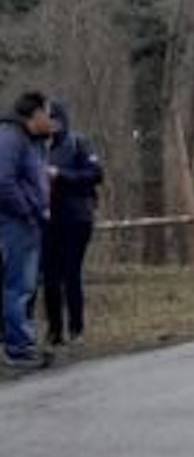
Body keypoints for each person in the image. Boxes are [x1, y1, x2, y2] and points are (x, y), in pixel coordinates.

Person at [0, 91, 57, 369]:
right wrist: (27, 211)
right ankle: (18, 348)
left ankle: (23, 342)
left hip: (30, 223)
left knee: (26, 285)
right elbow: (3, 181)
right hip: (15, 223)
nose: (52, 118)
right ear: (35, 114)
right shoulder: (10, 137)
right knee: (18, 286)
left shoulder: (31, 142)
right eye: (48, 113)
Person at [42, 101, 104, 347]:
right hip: (48, 219)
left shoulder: (78, 143)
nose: (50, 124)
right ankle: (54, 330)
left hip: (77, 217)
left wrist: (61, 175)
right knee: (49, 276)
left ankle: (76, 328)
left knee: (71, 273)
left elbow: (95, 174)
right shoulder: (39, 147)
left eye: (53, 118)